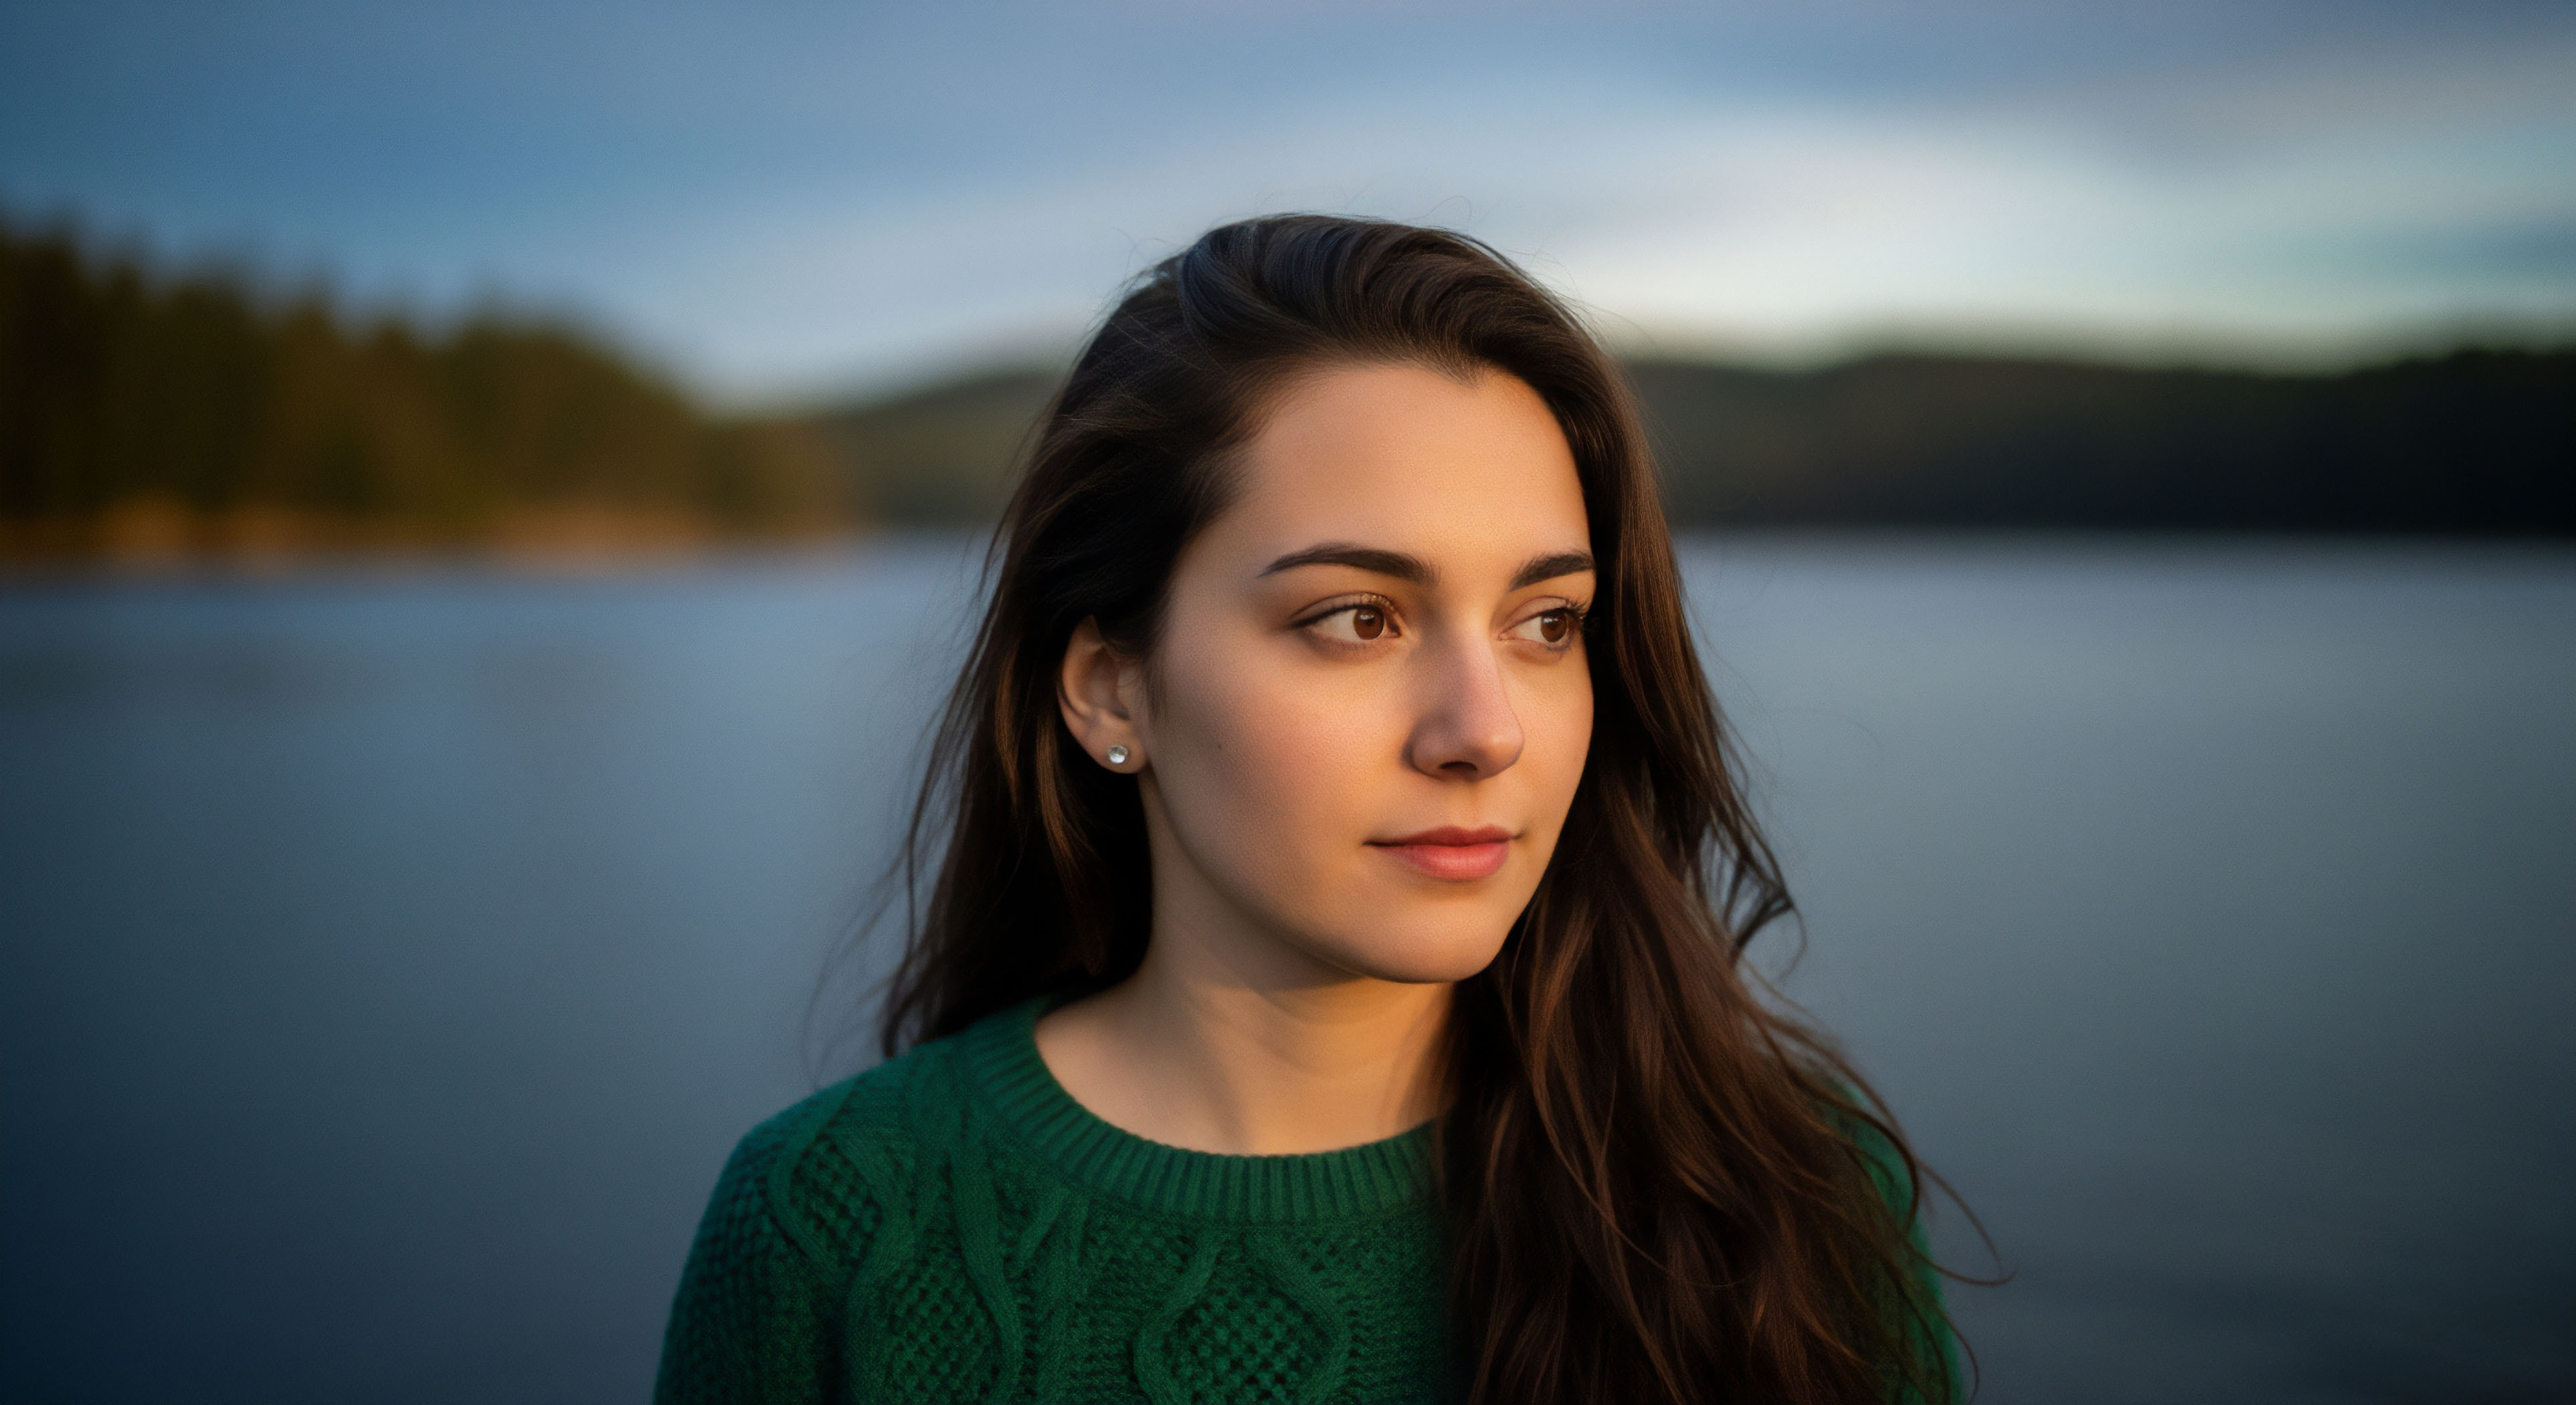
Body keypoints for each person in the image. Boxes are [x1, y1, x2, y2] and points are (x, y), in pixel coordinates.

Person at [655, 215, 1960, 1404]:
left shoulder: (1778, 1203)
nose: (1484, 728)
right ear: (1113, 691)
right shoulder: (831, 1226)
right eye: (1355, 618)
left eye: (1544, 623)